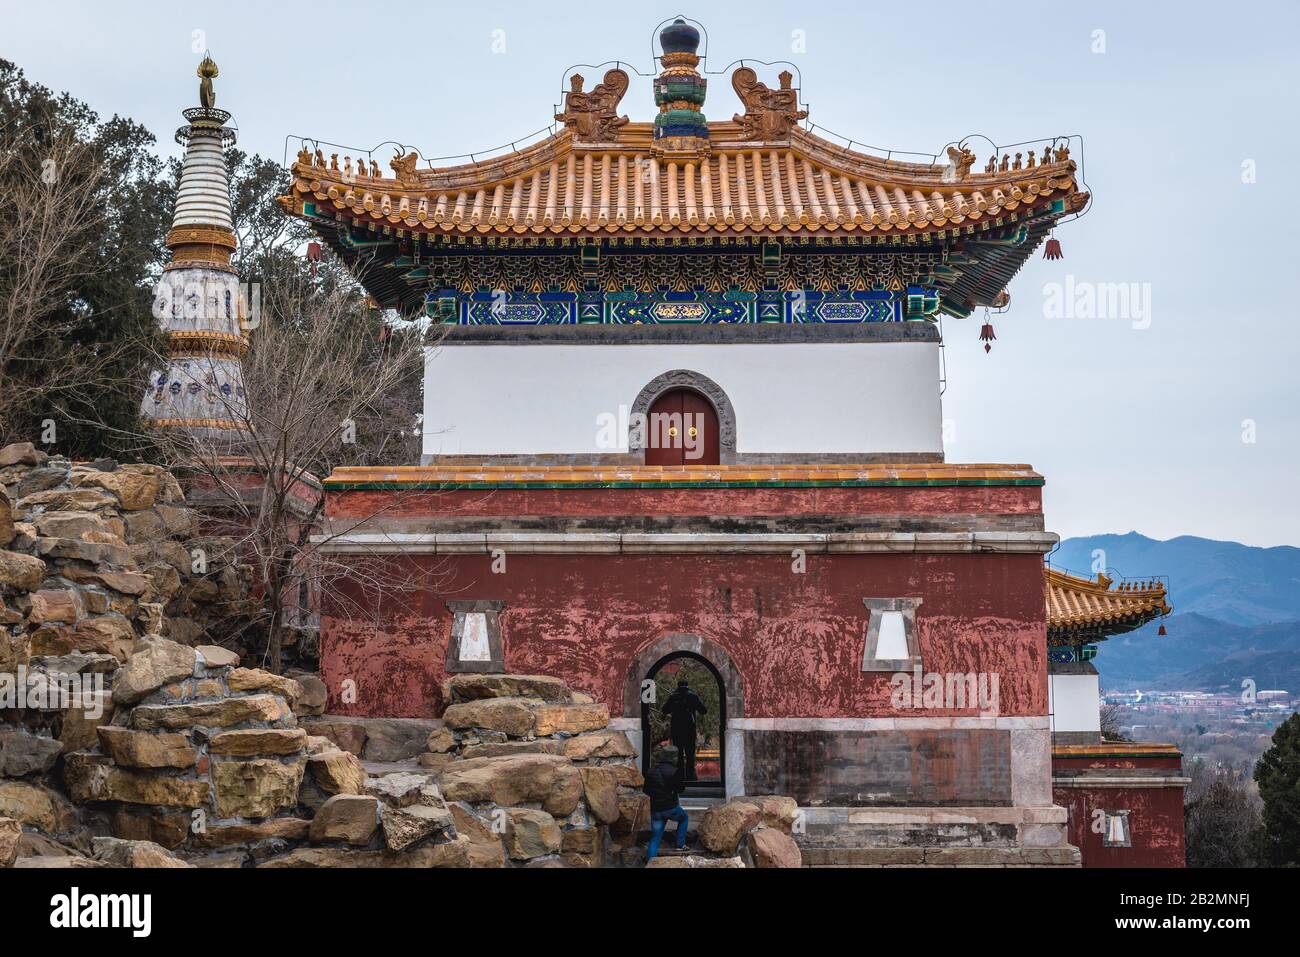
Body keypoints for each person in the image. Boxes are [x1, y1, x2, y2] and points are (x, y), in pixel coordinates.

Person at [643, 744, 688, 861]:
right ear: (674, 757)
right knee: (684, 817)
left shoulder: (650, 771)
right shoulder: (675, 772)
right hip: (671, 808)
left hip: (656, 810)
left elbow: (646, 790)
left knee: (655, 838)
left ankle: (651, 863)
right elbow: (680, 789)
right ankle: (680, 844)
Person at [662, 679, 707, 780]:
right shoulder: (692, 696)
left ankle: (679, 775)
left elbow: (664, 710)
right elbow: (703, 711)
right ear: (687, 686)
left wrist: (675, 706)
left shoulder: (673, 697)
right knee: (690, 753)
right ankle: (690, 776)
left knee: (678, 753)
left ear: (678, 686)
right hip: (689, 728)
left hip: (677, 728)